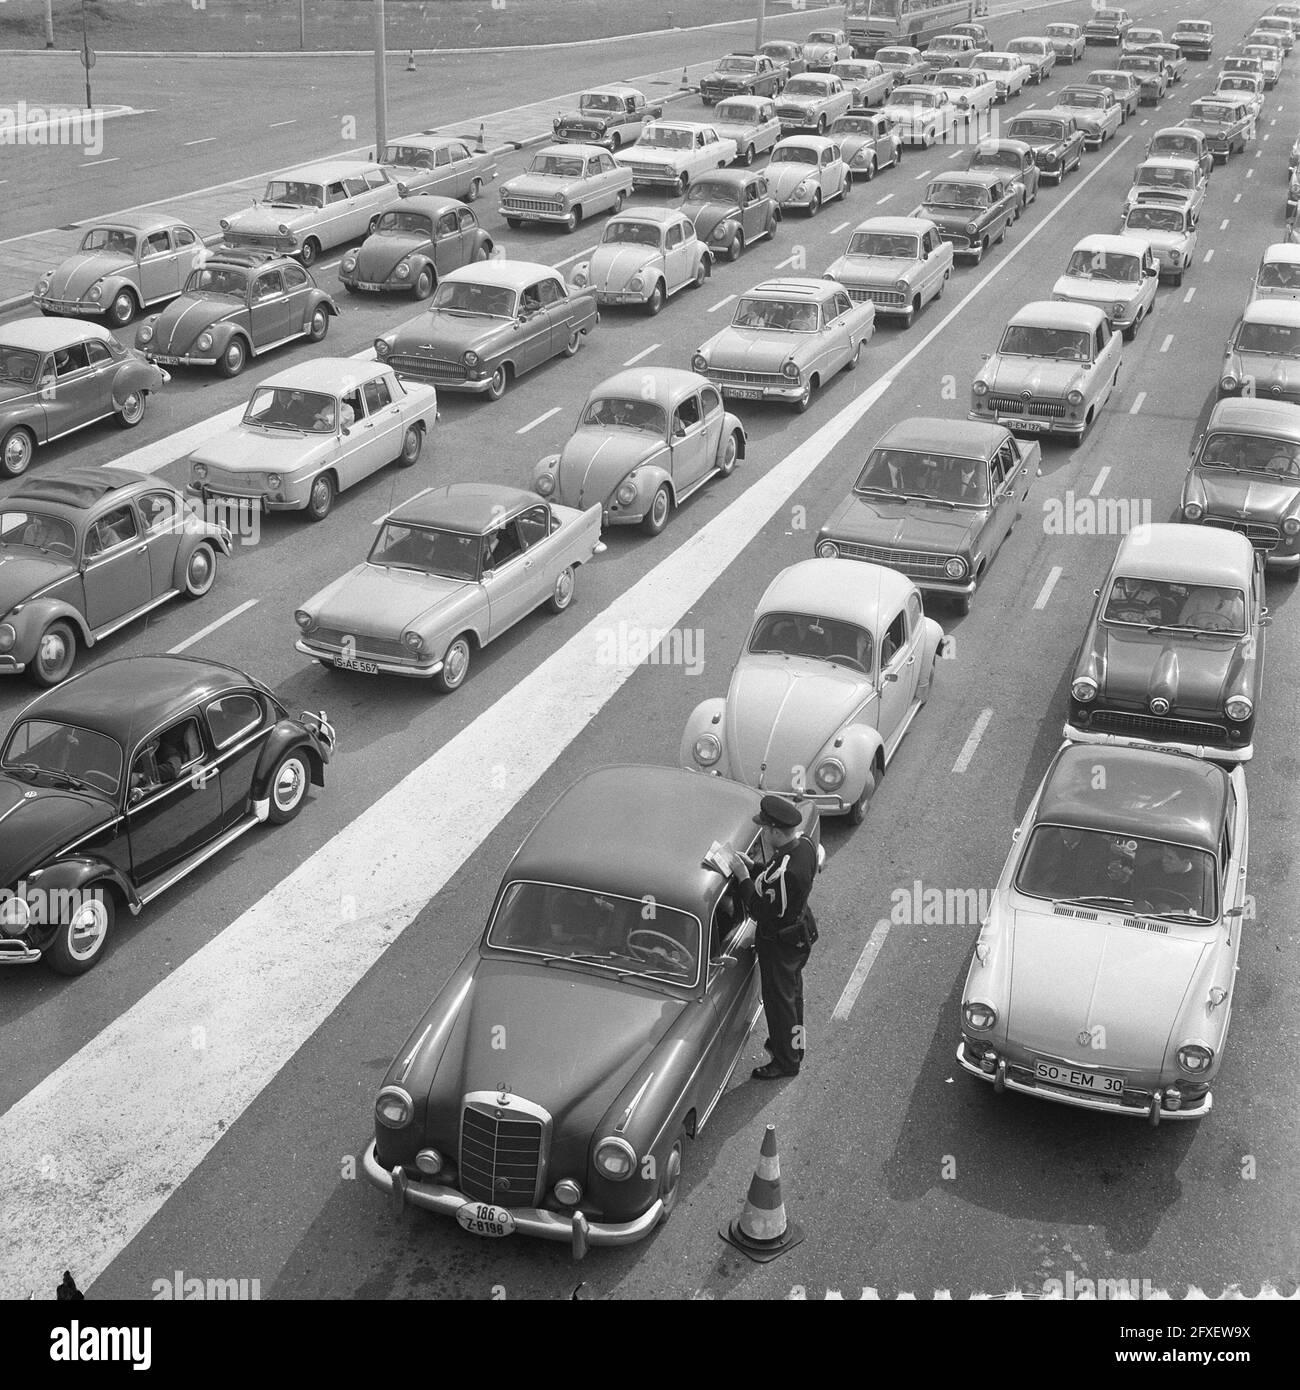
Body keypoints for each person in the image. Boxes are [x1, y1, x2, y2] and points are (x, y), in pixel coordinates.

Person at [726, 794, 819, 1080]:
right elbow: (770, 876)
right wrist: (753, 869)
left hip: (781, 945)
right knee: (793, 997)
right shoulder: (804, 847)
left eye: (766, 829)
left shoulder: (784, 872)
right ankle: (795, 1046)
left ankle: (786, 1061)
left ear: (776, 831)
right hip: (797, 934)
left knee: (781, 1005)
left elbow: (760, 910)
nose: (764, 834)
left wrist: (742, 877)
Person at [1134, 843, 1203, 915]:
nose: (1164, 860)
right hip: (1143, 915)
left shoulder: (1199, 880)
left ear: (1186, 861)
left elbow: (1195, 912)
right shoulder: (1153, 867)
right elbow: (1137, 891)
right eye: (1164, 855)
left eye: (1170, 858)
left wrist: (1171, 912)